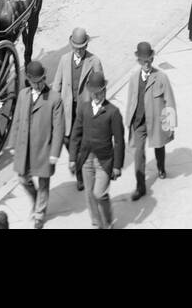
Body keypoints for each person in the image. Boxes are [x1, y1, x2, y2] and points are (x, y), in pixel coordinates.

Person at [69, 71, 124, 230]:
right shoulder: (84, 109)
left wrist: (117, 166)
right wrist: (73, 157)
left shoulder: (113, 112)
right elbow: (75, 134)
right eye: (93, 92)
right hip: (86, 159)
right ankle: (96, 224)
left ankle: (108, 221)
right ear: (89, 92)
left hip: (104, 161)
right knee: (89, 195)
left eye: (100, 92)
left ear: (105, 91)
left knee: (99, 193)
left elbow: (119, 142)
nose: (97, 95)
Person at [51, 27, 103, 193]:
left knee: (82, 141)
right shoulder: (64, 59)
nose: (79, 50)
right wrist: (52, 106)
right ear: (71, 45)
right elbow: (57, 85)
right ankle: (80, 166)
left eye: (82, 47)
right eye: (76, 47)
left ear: (86, 46)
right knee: (67, 139)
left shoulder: (94, 61)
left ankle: (82, 175)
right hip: (67, 109)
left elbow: (100, 87)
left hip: (84, 110)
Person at [12, 60, 63, 228]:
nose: (38, 85)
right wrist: (14, 144)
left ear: (44, 78)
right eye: (34, 82)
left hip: (44, 148)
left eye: (40, 81)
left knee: (43, 182)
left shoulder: (55, 98)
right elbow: (17, 121)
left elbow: (59, 129)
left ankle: (40, 214)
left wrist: (55, 152)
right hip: (24, 147)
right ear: (29, 81)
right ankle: (35, 199)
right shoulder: (23, 95)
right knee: (22, 178)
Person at [123, 41, 176, 201]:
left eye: (149, 61)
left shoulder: (161, 77)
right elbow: (131, 101)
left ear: (152, 60)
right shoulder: (133, 79)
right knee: (138, 153)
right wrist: (128, 121)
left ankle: (161, 167)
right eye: (143, 61)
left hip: (156, 122)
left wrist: (170, 124)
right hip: (138, 123)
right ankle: (140, 187)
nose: (146, 64)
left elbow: (170, 101)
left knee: (159, 146)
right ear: (138, 61)